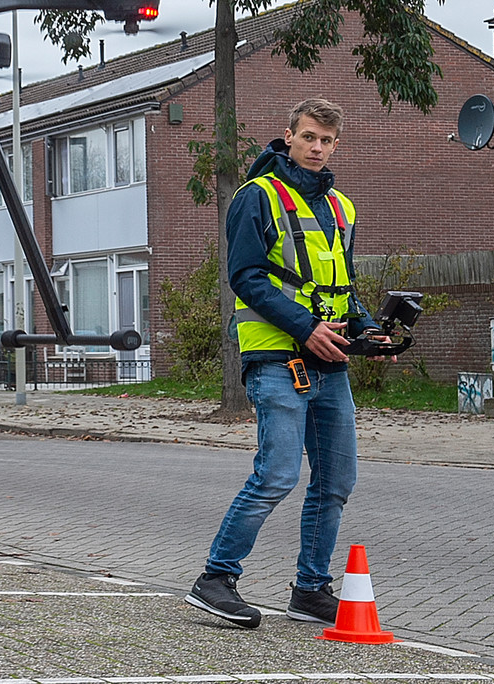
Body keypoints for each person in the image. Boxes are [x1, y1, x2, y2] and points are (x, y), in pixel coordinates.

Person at [185, 98, 382, 630]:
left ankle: (310, 591)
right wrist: (305, 328)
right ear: (288, 135)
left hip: (331, 358)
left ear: (336, 145)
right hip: (277, 357)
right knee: (276, 474)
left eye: (328, 140)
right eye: (310, 137)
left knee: (337, 479)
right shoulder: (257, 197)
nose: (318, 148)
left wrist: (364, 325)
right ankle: (215, 580)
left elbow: (341, 285)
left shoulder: (342, 207)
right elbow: (245, 277)